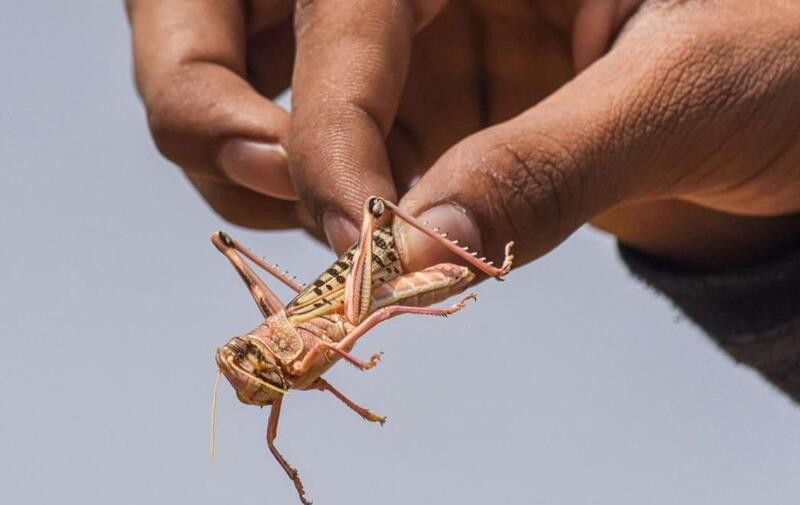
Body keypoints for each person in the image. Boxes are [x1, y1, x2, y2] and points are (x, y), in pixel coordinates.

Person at [127, 1, 800, 402]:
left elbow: (349, 341)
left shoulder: (286, 345)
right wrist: (710, 222)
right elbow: (343, 355)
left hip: (344, 291)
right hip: (363, 293)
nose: (253, 382)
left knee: (373, 257)